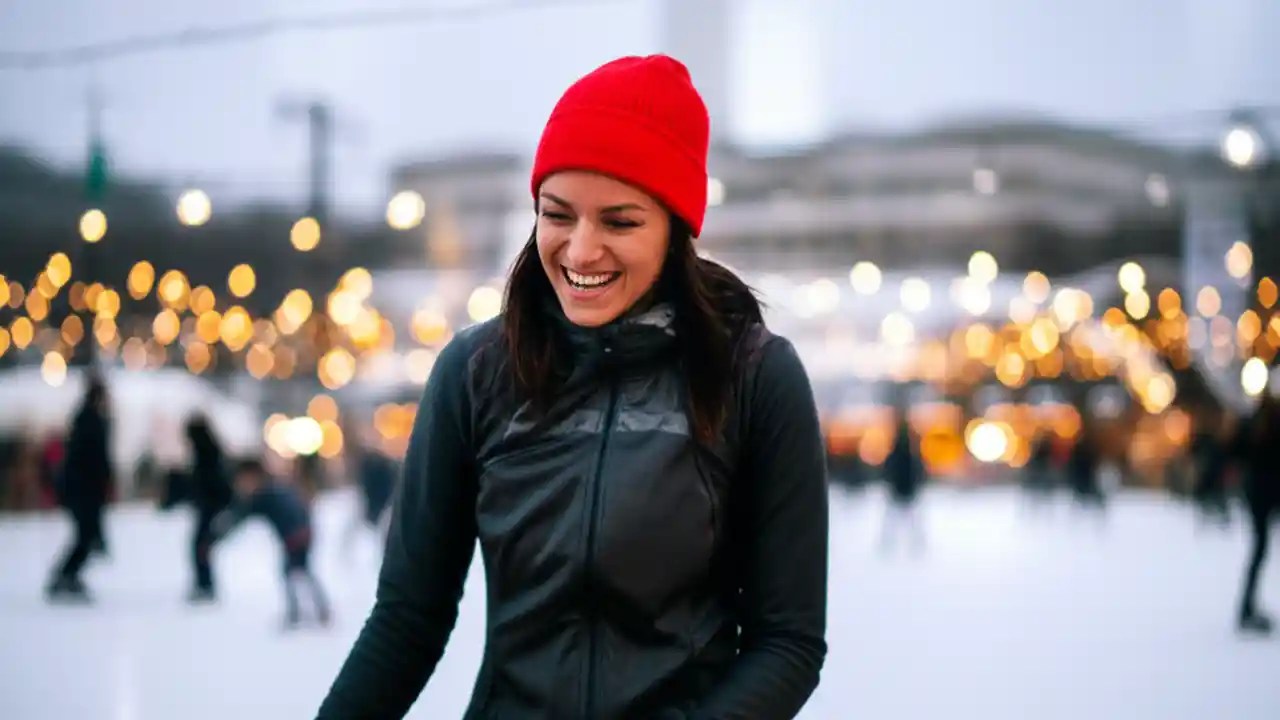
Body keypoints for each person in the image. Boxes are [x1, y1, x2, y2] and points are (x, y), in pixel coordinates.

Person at [318, 54, 829, 719]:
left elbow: (788, 643)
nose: (580, 251)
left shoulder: (754, 376)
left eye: (619, 222)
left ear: (675, 230)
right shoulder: (477, 372)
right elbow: (407, 622)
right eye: (557, 215)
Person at [213, 458, 331, 629]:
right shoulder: (271, 489)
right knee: (298, 571)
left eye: (244, 481)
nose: (243, 487)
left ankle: (306, 612)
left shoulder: (265, 494)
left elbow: (243, 514)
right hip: (298, 535)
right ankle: (311, 611)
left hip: (296, 537)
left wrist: (220, 532)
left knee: (296, 572)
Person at [47, 375, 113, 602]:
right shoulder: (90, 420)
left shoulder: (88, 418)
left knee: (85, 535)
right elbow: (93, 458)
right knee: (85, 535)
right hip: (83, 488)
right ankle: (65, 576)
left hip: (84, 488)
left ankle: (67, 575)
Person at [1233, 387, 1280, 634]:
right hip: (1266, 493)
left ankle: (1246, 608)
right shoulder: (1262, 421)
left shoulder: (1252, 420)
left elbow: (1235, 451)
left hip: (1258, 494)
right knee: (1260, 551)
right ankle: (1246, 609)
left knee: (1259, 551)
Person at [185, 415, 234, 603]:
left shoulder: (206, 452)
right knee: (201, 546)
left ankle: (205, 584)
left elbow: (212, 481)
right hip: (210, 505)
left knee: (201, 546)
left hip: (210, 506)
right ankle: (204, 583)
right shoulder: (209, 450)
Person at [880, 414, 926, 554]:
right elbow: (918, 470)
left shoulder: (897, 453)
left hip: (900, 490)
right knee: (909, 521)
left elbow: (888, 470)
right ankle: (914, 544)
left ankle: (890, 543)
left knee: (900, 521)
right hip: (905, 490)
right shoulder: (911, 453)